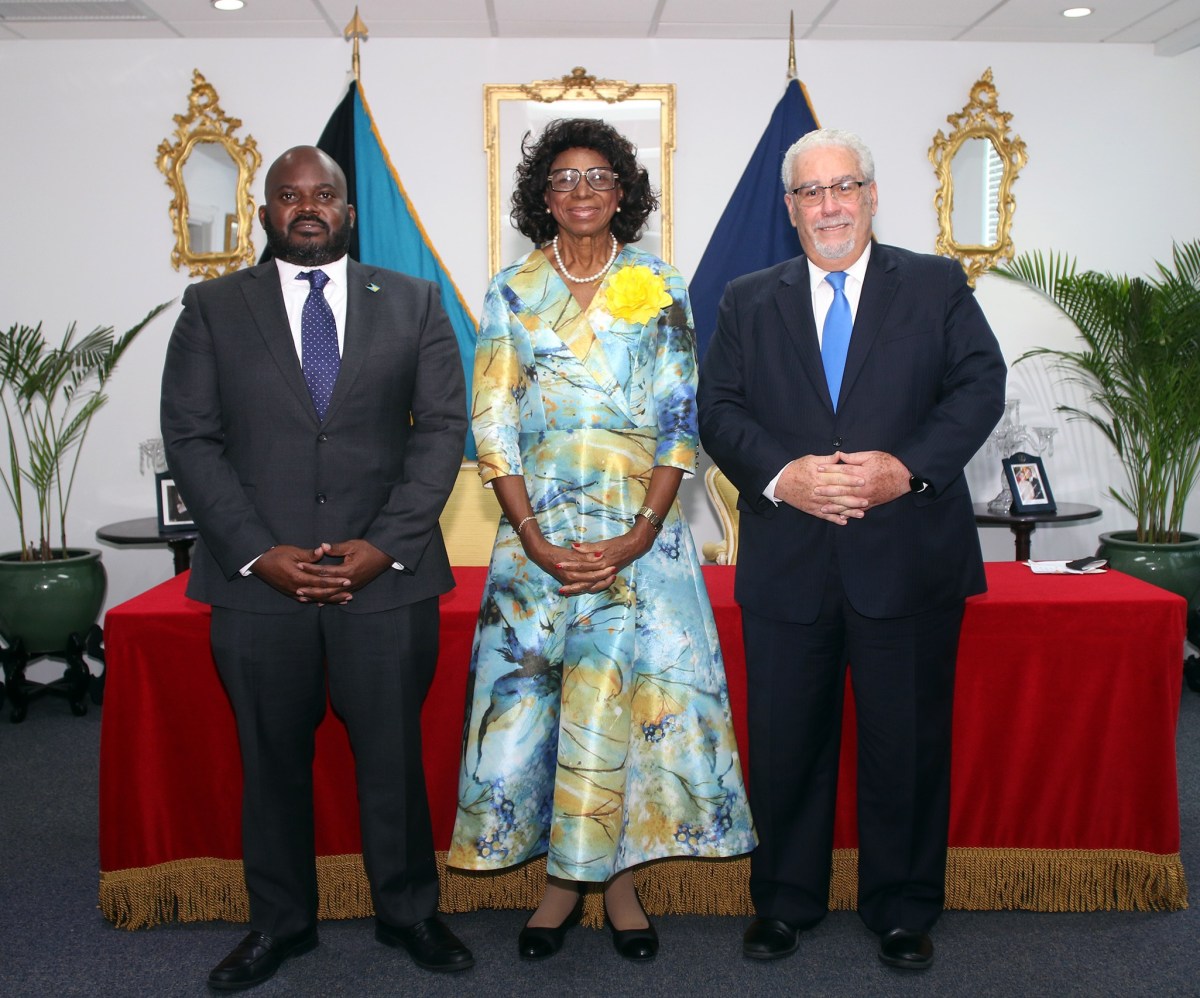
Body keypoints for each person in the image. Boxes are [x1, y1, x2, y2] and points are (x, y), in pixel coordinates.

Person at [160, 146, 472, 990]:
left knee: (392, 760)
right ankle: (281, 925)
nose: (307, 207)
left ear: (348, 211)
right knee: (269, 762)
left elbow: (443, 429)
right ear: (264, 214)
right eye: (289, 196)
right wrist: (260, 554)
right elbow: (192, 438)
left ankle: (409, 912)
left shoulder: (412, 301)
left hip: (389, 578)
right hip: (258, 587)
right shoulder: (213, 307)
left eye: (323, 194)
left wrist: (386, 545)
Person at [447, 118, 756, 963]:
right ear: (540, 199)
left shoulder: (659, 284)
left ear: (623, 191)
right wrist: (535, 539)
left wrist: (641, 532)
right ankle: (557, 888)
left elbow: (679, 422)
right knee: (548, 711)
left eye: (597, 178)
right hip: (537, 541)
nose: (580, 193)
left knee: (624, 707)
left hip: (641, 540)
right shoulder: (510, 288)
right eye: (562, 180)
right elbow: (493, 422)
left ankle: (617, 886)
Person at [697, 128, 1006, 970]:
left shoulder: (937, 284)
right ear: (790, 209)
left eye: (845, 187)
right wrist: (781, 474)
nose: (829, 205)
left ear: (871, 195)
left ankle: (903, 909)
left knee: (905, 746)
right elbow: (717, 409)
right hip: (790, 560)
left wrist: (906, 470)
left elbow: (981, 384)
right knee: (788, 741)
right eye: (811, 193)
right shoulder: (746, 298)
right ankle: (784, 901)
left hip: (907, 557)